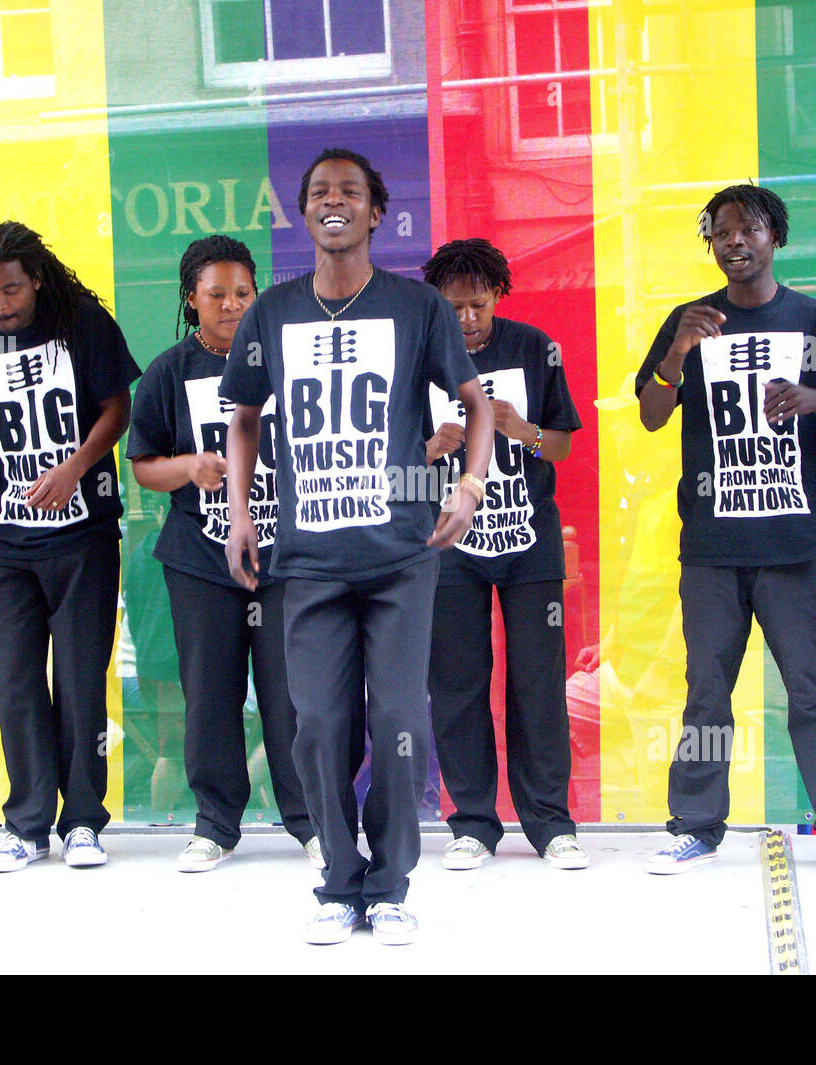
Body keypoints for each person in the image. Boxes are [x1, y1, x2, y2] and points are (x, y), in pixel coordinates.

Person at [220, 148, 493, 945]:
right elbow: (244, 416)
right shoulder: (272, 313)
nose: (332, 201)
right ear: (303, 214)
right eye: (318, 192)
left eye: (349, 191)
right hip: (306, 563)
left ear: (377, 212)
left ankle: (393, 879)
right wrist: (242, 512)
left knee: (403, 717)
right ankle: (339, 881)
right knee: (317, 725)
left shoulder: (417, 307)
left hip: (401, 557)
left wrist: (469, 487)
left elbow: (474, 403)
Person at [636, 184, 816, 878]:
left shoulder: (813, 318)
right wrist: (678, 349)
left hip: (790, 547)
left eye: (749, 230)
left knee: (812, 689)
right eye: (720, 232)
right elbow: (654, 413)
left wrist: (812, 399)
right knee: (707, 692)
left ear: (776, 236)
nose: (734, 242)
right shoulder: (689, 320)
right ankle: (694, 825)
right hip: (712, 547)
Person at [0, 221, 140, 872]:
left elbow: (117, 407)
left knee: (80, 679)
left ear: (38, 278)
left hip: (83, 531)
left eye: (11, 290)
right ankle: (25, 823)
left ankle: (82, 820)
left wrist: (75, 466)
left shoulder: (82, 321)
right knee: (14, 680)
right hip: (5, 535)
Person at [127, 235, 318, 871]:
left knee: (290, 692)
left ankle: (310, 821)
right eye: (217, 295)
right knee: (208, 692)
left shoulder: (288, 360)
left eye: (243, 292)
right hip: (201, 560)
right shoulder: (168, 371)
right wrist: (188, 465)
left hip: (282, 554)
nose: (233, 305)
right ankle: (216, 823)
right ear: (191, 300)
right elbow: (143, 468)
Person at [420, 237, 587, 870]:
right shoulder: (417, 353)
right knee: (458, 684)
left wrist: (523, 431)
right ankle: (472, 824)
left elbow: (564, 448)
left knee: (539, 684)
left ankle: (550, 823)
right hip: (448, 545)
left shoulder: (534, 348)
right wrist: (434, 446)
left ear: (497, 297)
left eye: (478, 305)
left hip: (528, 542)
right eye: (455, 306)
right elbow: (392, 458)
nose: (467, 318)